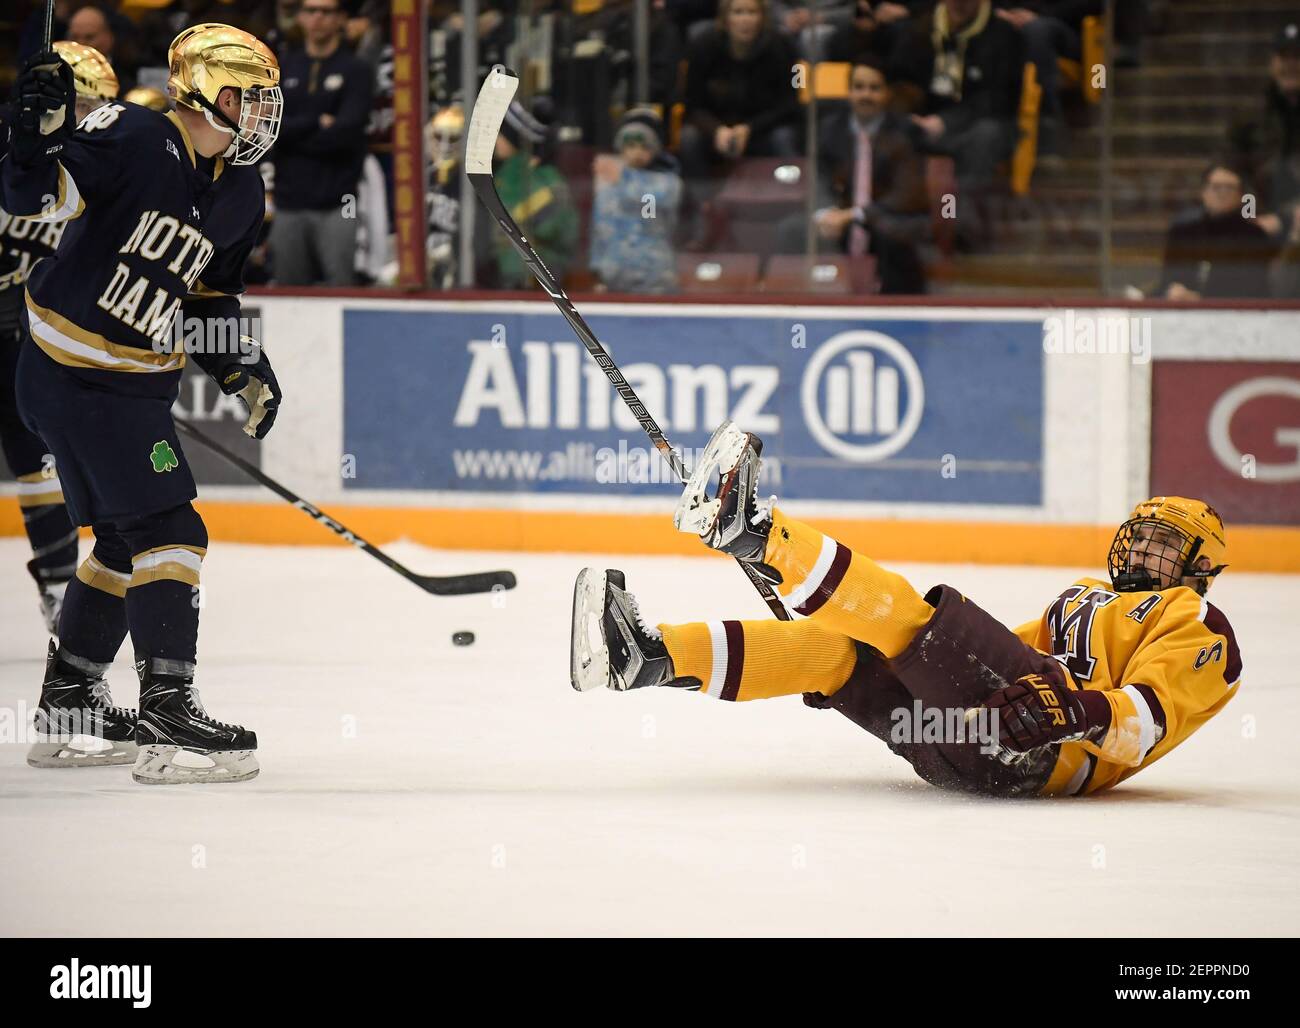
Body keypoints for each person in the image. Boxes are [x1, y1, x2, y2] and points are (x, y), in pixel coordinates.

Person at [571, 421, 1242, 798]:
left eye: (1165, 546)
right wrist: (875, 639)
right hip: (957, 742)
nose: (1143, 552)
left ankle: (760, 534)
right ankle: (647, 659)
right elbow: (1003, 652)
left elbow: (1153, 720)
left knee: (918, 624)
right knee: (838, 655)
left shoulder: (1197, 624)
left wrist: (1081, 710)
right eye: (1141, 537)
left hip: (1039, 759)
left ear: (1199, 565)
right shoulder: (1080, 596)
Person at [1, 23, 284, 784]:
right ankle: (170, 717)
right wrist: (31, 134)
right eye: (250, 98)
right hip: (76, 375)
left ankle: (71, 704)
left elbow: (210, 292)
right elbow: (31, 197)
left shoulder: (240, 189)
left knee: (129, 544)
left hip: (130, 388)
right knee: (171, 528)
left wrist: (238, 366)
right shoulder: (132, 133)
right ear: (205, 92)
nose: (264, 113)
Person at [0, 41, 118, 635]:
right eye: (85, 105)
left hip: (28, 334)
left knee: (40, 463)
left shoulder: (96, 166)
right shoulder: (18, 149)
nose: (92, 120)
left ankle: (56, 588)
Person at [792, 56, 929, 293]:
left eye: (874, 88)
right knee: (791, 229)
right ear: (848, 92)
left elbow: (906, 195)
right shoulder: (828, 130)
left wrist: (856, 214)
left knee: (891, 235)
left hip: (887, 217)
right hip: (840, 219)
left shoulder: (907, 132)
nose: (866, 95)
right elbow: (818, 177)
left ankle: (896, 308)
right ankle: (803, 301)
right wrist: (826, 212)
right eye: (859, 87)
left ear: (887, 94)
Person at [268, 0, 374, 286]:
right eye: (311, 11)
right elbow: (271, 129)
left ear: (340, 18)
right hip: (289, 202)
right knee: (289, 294)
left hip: (339, 202)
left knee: (343, 290)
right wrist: (317, 121)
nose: (318, 18)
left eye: (326, 12)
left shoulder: (356, 70)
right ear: (300, 17)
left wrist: (294, 132)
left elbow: (345, 135)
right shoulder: (283, 67)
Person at [889, 0, 1024, 194]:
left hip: (979, 124)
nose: (959, 5)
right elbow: (899, 80)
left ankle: (960, 215)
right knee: (893, 127)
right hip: (925, 122)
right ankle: (904, 209)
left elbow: (1000, 98)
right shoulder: (919, 30)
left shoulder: (1004, 35)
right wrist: (911, 116)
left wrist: (946, 121)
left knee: (987, 134)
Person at [487, 98, 579, 290]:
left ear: (516, 139)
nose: (495, 139)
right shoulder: (504, 175)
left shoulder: (542, 181)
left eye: (500, 133)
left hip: (538, 282)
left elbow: (561, 230)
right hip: (507, 277)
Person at [589, 108, 683, 294]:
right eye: (631, 145)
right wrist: (597, 268)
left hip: (655, 278)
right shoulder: (608, 184)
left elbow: (648, 209)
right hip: (614, 276)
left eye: (645, 147)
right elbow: (600, 226)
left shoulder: (668, 183)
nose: (637, 153)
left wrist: (623, 178)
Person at [1158, 161, 1278, 300]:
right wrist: (1174, 291)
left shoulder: (1254, 236)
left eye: (1229, 188)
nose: (1222, 193)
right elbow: (1168, 280)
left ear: (1240, 196)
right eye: (1216, 187)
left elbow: (1252, 288)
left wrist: (1199, 299)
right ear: (1203, 192)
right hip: (1181, 312)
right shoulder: (1183, 233)